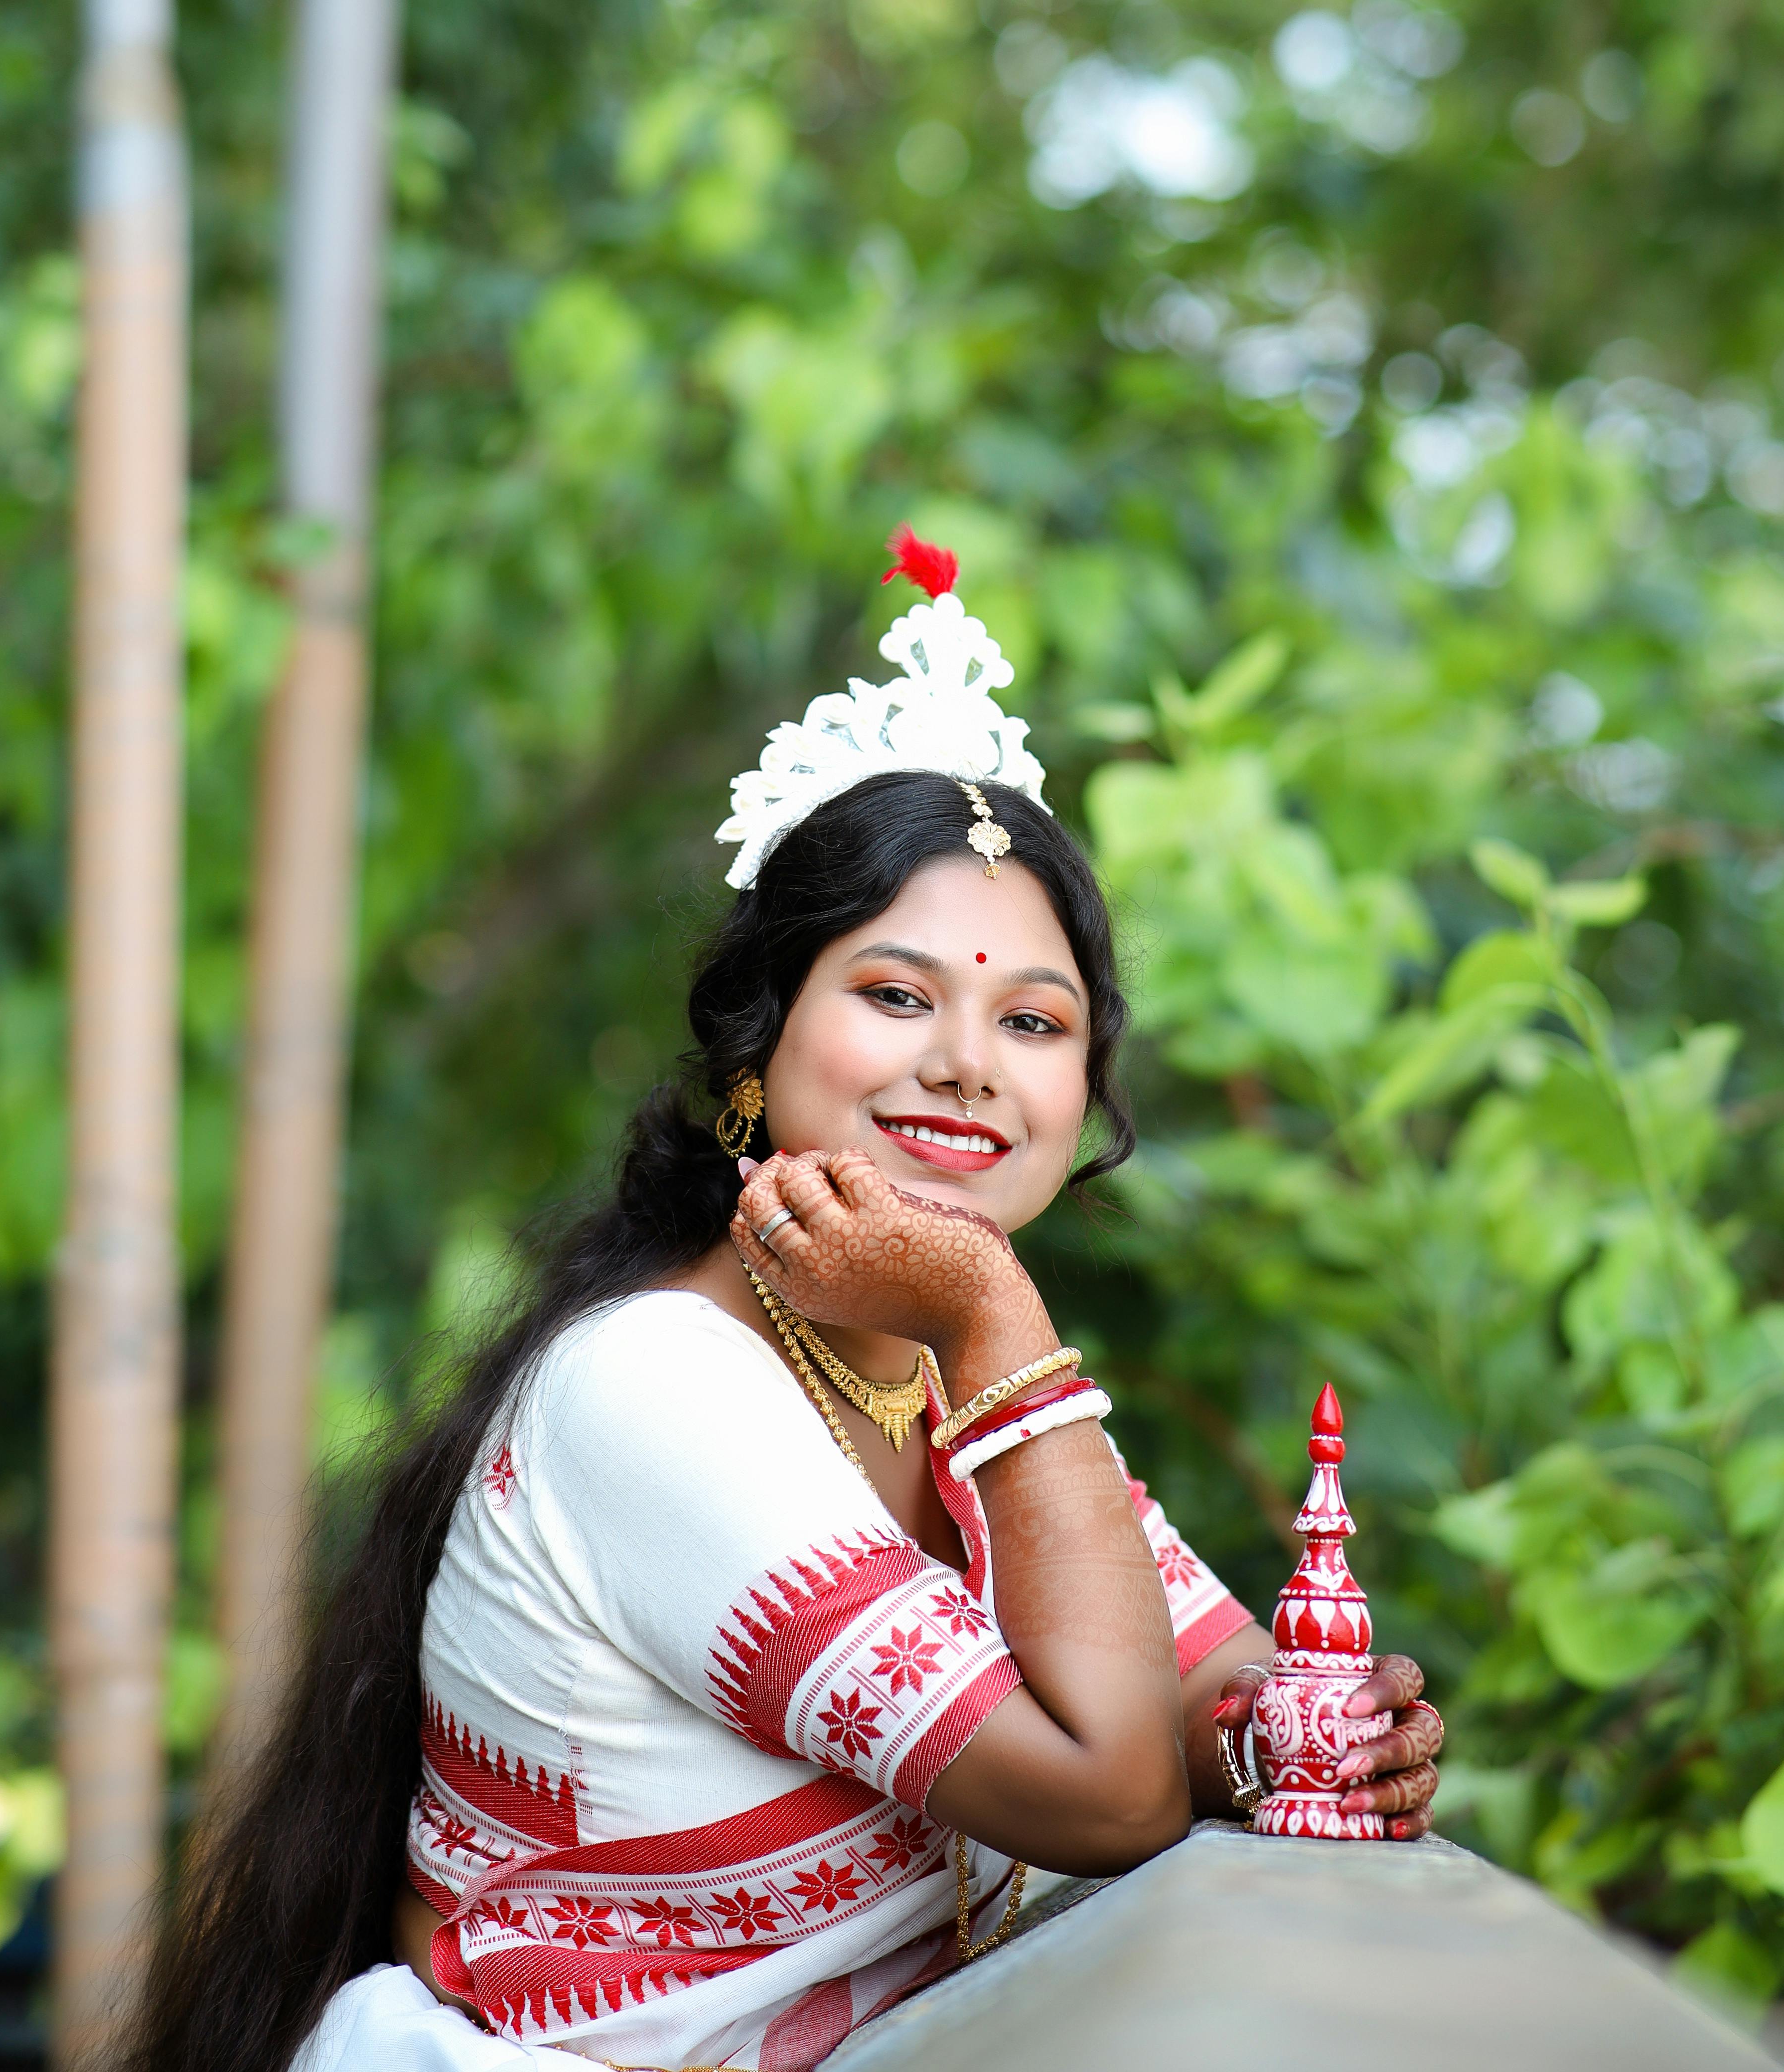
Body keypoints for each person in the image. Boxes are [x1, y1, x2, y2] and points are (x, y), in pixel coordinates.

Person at [129, 536, 1441, 2072]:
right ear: (755, 1058)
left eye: (1035, 1020)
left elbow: (1209, 1683)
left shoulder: (936, 1383)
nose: (966, 1062)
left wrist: (1320, 1739)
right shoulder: (661, 1391)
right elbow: (1114, 1796)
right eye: (895, 996)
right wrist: (999, 1314)